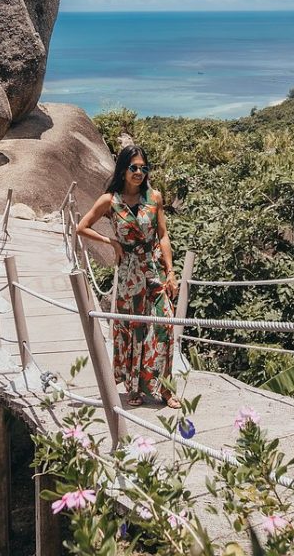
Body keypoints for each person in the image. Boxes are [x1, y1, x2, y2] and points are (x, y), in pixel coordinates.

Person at [76, 145, 180, 407]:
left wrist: (171, 272)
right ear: (123, 170)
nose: (139, 172)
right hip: (128, 273)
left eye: (144, 168)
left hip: (153, 268)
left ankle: (165, 389)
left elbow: (163, 235)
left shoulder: (154, 197)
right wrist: (111, 242)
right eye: (134, 167)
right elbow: (81, 227)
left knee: (164, 325)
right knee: (133, 327)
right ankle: (134, 388)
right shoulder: (110, 201)